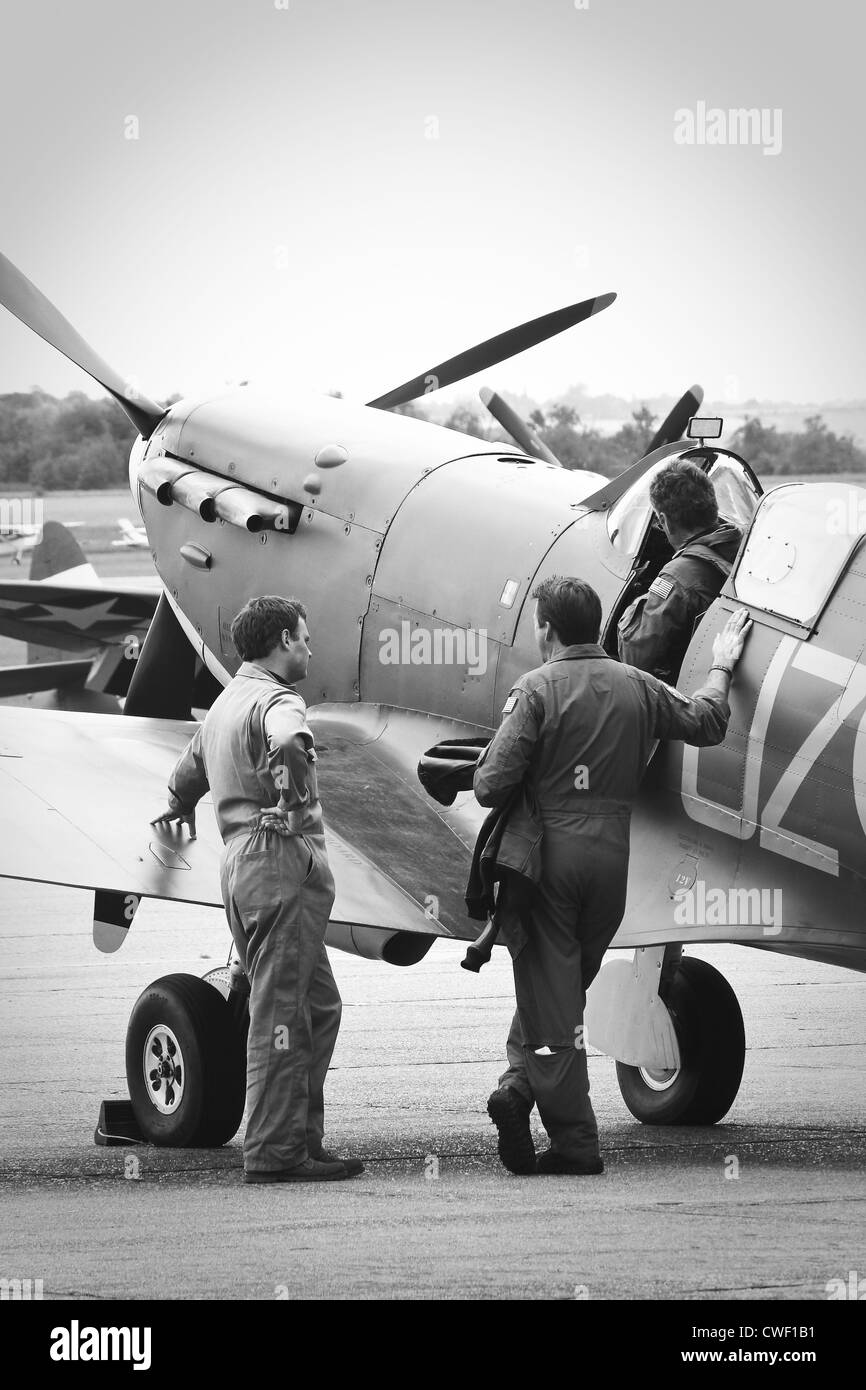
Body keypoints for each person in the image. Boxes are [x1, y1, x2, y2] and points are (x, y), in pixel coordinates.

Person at [476, 575, 751, 1176]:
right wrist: (724, 667)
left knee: (554, 1006)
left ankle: (575, 1144)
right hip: (611, 861)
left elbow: (489, 784)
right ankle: (516, 1086)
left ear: (545, 629)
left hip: (549, 859)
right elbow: (707, 721)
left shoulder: (535, 690)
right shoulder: (638, 686)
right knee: (563, 987)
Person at [151, 596, 363, 1183]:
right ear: (280, 643)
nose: (310, 649)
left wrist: (176, 806)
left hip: (241, 864)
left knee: (317, 1008)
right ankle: (273, 1153)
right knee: (282, 1013)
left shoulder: (224, 704)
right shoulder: (276, 700)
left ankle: (300, 1137)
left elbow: (187, 769)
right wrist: (295, 807)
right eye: (303, 638)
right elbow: (292, 742)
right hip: (276, 861)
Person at [617, 459, 743, 682]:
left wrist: (638, 604)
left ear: (663, 520)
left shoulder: (677, 577)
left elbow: (634, 657)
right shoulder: (744, 546)